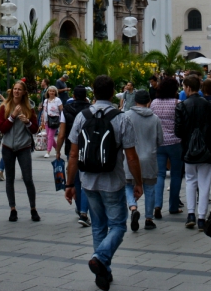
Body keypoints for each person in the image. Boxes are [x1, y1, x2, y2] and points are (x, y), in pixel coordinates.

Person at [64, 75, 143, 291]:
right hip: (113, 180)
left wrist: (69, 184)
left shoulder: (82, 116)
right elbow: (132, 156)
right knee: (117, 225)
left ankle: (103, 270)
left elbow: (72, 154)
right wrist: (138, 182)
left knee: (98, 225)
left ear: (93, 94)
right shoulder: (122, 118)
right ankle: (100, 258)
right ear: (112, 93)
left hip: (87, 180)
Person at [175, 75, 211, 229]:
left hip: (188, 149)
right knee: (205, 182)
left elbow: (178, 131)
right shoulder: (209, 105)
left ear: (188, 87)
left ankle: (191, 214)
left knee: (190, 180)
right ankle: (202, 217)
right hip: (206, 149)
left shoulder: (182, 106)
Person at [0, 80, 40, 222]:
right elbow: (2, 129)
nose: (16, 91)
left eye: (19, 89)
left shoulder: (29, 108)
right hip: (8, 147)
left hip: (24, 147)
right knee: (9, 179)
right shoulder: (4, 107)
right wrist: (12, 116)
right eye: (14, 89)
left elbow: (35, 129)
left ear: (23, 92)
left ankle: (33, 208)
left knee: (28, 179)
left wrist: (27, 121)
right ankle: (12, 209)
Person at [124, 89, 162, 231]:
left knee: (128, 184)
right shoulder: (155, 118)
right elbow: (160, 140)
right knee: (150, 188)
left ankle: (133, 207)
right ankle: (148, 218)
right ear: (149, 102)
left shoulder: (126, 116)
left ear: (135, 101)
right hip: (149, 158)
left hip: (130, 158)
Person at [58, 84, 92, 226]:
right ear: (85, 96)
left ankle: (79, 209)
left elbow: (61, 134)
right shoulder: (90, 110)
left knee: (76, 180)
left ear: (73, 96)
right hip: (88, 148)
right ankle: (84, 212)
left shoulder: (66, 110)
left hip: (70, 147)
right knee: (85, 180)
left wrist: (57, 151)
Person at [150, 77, 183, 219]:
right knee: (176, 174)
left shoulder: (154, 103)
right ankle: (173, 206)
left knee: (160, 174)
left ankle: (157, 205)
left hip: (159, 142)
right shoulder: (178, 103)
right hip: (175, 142)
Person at [41, 86, 64, 155]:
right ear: (48, 92)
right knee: (48, 136)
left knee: (50, 136)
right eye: (50, 91)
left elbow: (62, 110)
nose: (51, 92)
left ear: (55, 92)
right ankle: (57, 149)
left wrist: (62, 120)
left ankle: (48, 151)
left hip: (55, 119)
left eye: (53, 91)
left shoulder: (58, 100)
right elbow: (44, 111)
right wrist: (43, 120)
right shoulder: (46, 100)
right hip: (47, 120)